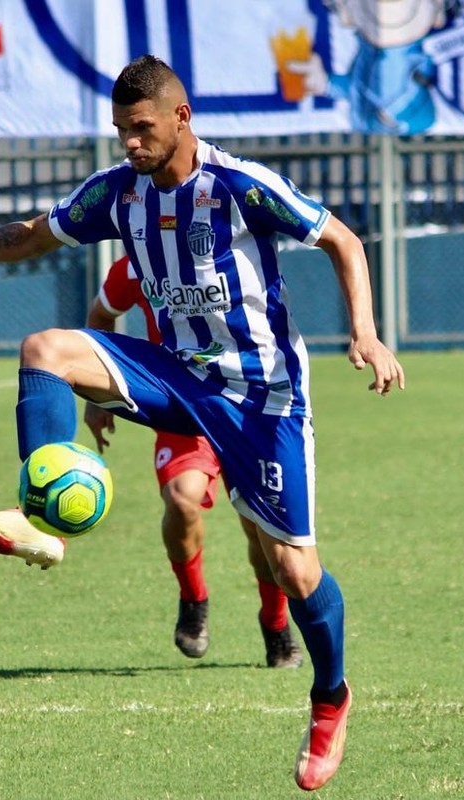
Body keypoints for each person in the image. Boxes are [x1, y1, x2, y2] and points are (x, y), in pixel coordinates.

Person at [0, 54, 404, 792]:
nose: (130, 142)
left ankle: (330, 697)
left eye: (142, 127)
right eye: (121, 128)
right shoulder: (119, 193)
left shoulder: (239, 186)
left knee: (293, 569)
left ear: (181, 118)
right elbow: (34, 233)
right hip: (176, 374)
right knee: (45, 350)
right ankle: (39, 520)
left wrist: (366, 333)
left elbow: (343, 239)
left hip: (260, 396)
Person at [86, 253, 303, 669]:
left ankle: (275, 623)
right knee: (181, 498)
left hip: (247, 406)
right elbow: (101, 315)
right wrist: (97, 398)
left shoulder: (234, 256)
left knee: (261, 527)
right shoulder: (136, 265)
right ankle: (193, 598)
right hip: (185, 408)